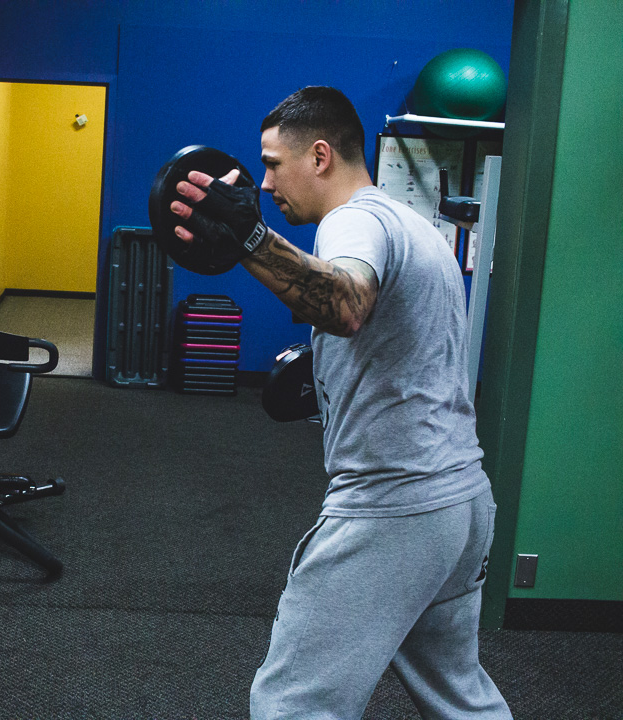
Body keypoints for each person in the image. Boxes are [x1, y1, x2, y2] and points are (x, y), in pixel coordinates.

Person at [169, 87, 511, 718]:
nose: (265, 183)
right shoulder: (416, 227)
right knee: (460, 700)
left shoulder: (351, 221)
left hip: (395, 505)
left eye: (273, 164)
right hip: (461, 501)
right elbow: (397, 341)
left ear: (320, 156)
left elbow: (348, 305)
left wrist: (249, 240)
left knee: (294, 703)